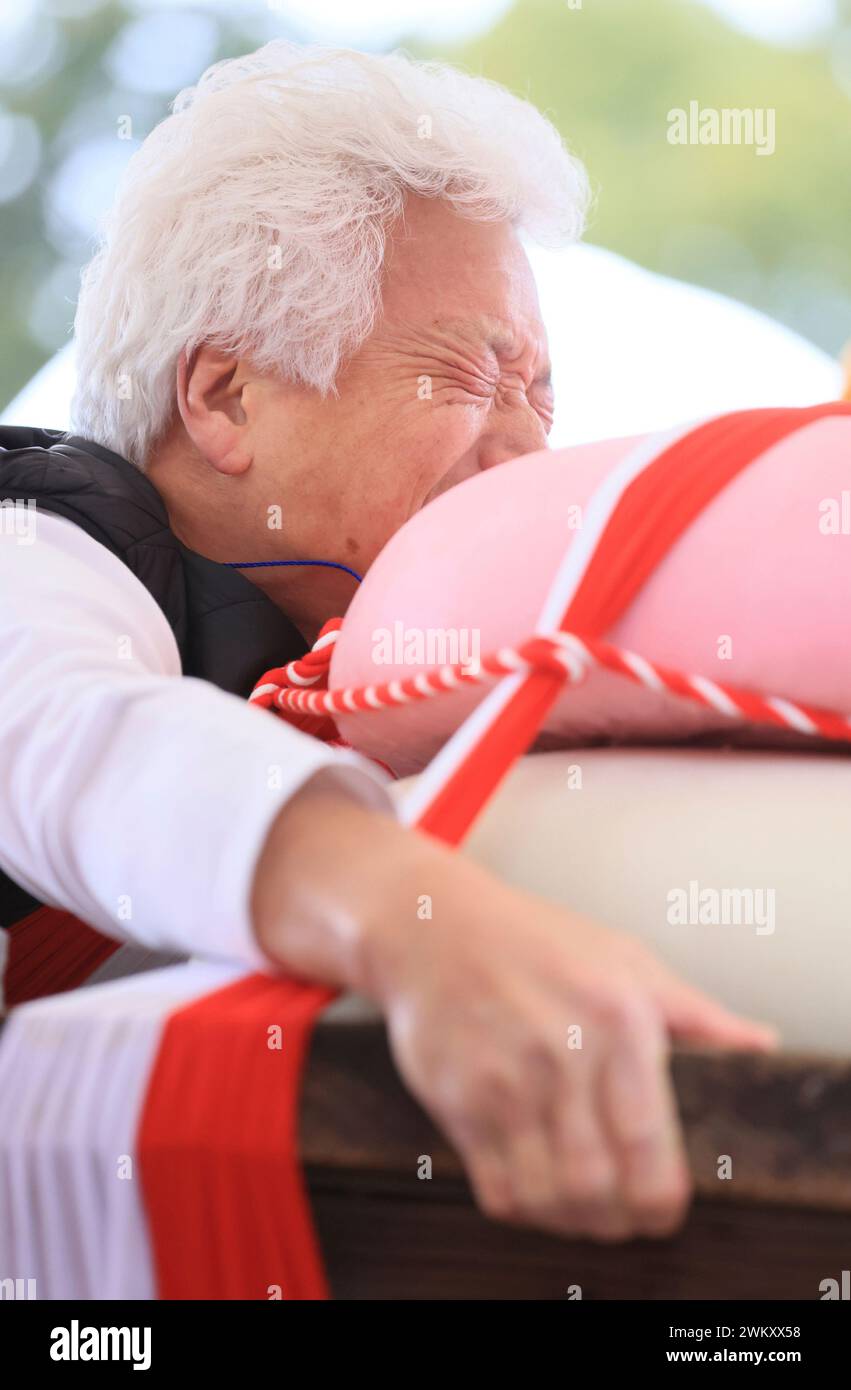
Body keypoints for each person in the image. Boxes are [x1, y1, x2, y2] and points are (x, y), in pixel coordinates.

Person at [0, 40, 774, 1247]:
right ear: (225, 396)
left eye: (542, 393)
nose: (530, 455)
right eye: (470, 372)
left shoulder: (357, 675)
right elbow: (51, 727)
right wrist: (420, 921)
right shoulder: (45, 537)